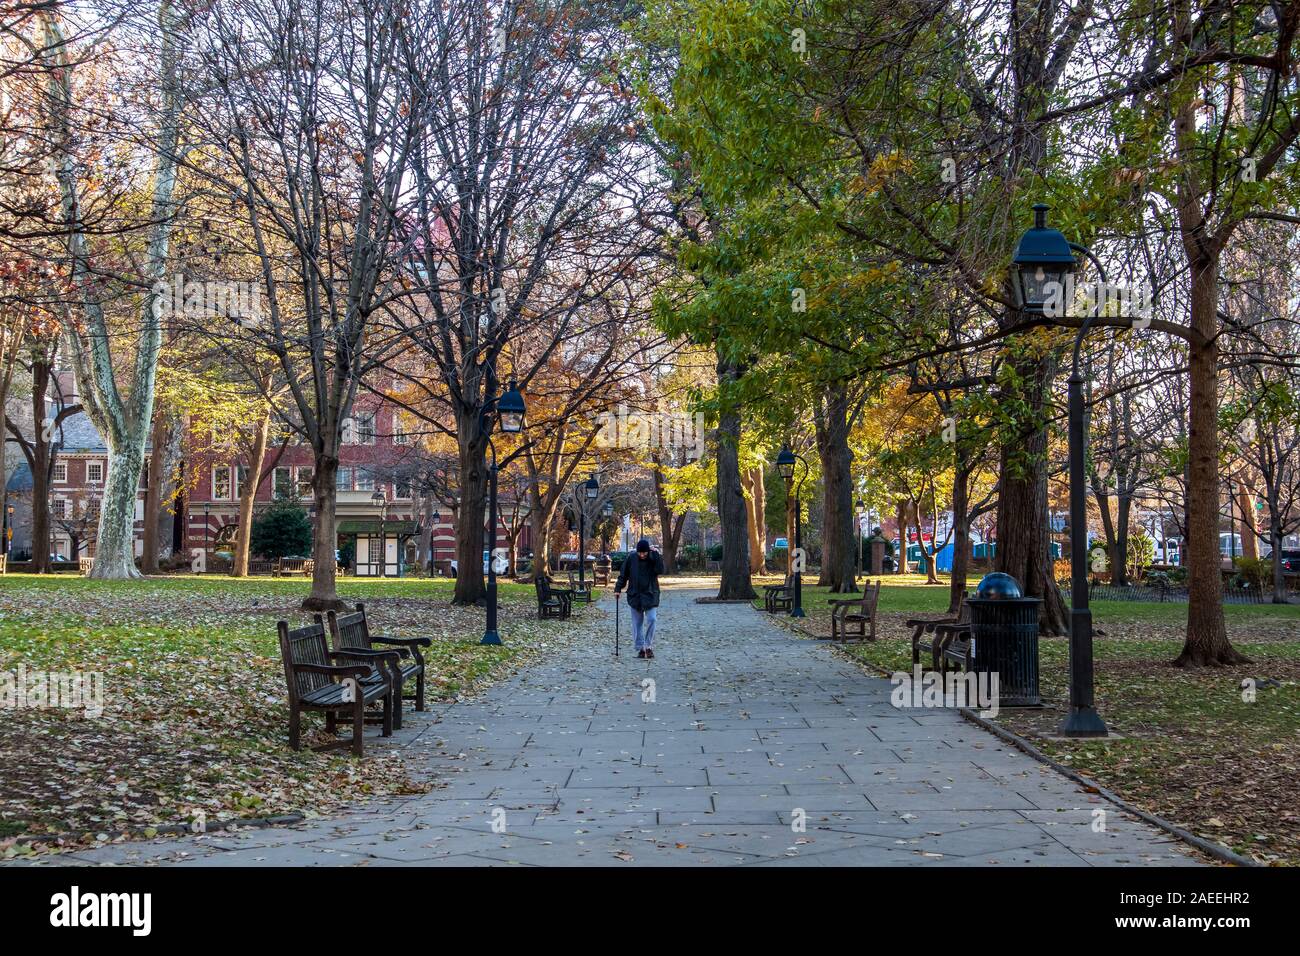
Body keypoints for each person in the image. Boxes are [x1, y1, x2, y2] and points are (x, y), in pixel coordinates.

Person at [615, 538, 663, 659]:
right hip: (635, 595)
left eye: (644, 552)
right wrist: (617, 589)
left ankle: (648, 646)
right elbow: (623, 575)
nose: (642, 555)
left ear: (648, 551)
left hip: (650, 593)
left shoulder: (653, 558)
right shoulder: (631, 558)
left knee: (652, 619)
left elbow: (660, 569)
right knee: (637, 623)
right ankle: (641, 648)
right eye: (640, 552)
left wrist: (655, 554)